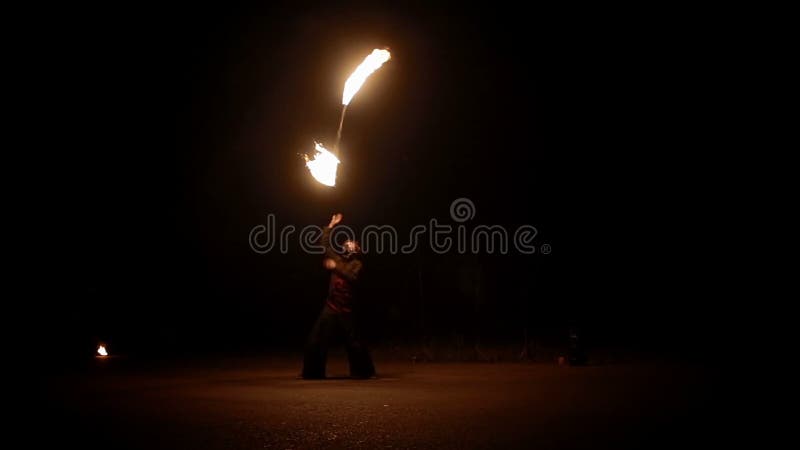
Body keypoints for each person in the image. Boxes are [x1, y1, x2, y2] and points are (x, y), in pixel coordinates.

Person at [301, 213, 376, 379]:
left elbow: (352, 277)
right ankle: (312, 374)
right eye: (347, 243)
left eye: (352, 243)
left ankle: (364, 373)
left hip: (346, 310)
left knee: (355, 343)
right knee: (315, 340)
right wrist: (331, 225)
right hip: (331, 306)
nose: (348, 244)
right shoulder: (337, 258)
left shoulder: (357, 264)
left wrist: (335, 266)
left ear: (357, 249)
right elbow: (324, 243)